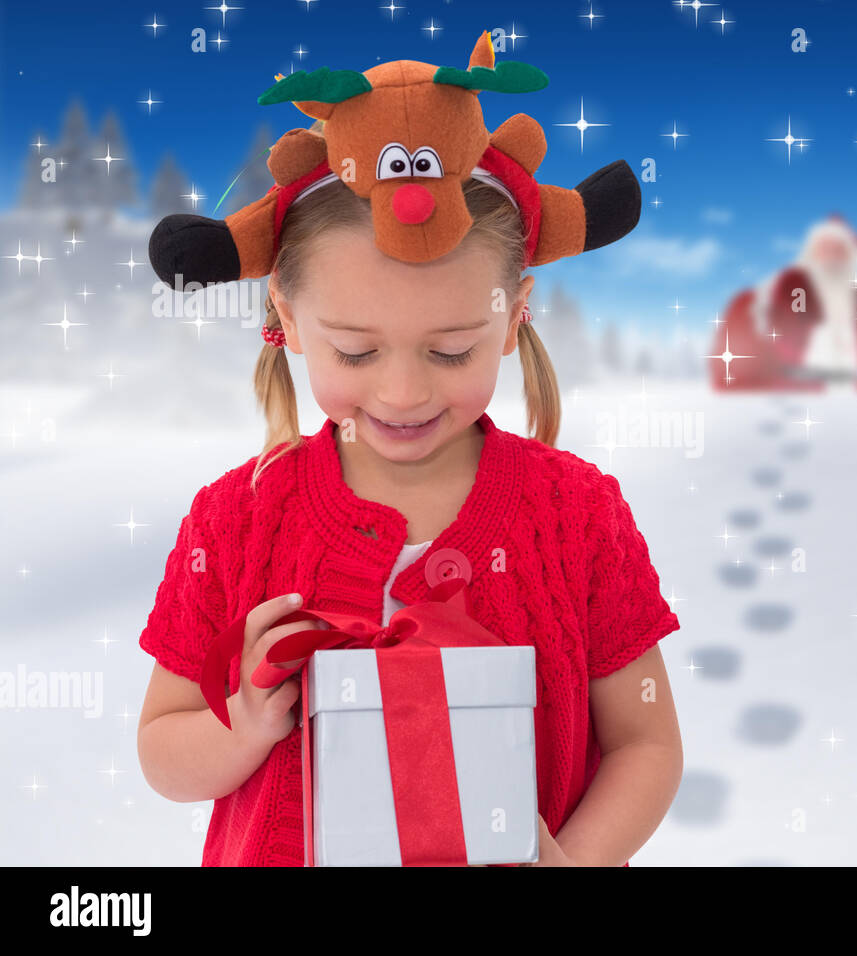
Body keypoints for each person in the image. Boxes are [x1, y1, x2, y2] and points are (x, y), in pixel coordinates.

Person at [135, 40, 683, 867]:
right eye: (355, 354)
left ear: (513, 314)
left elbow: (646, 742)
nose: (401, 395)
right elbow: (162, 749)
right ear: (284, 310)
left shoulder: (575, 512)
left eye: (452, 350)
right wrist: (241, 727)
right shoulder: (239, 516)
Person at [709, 214, 857, 391]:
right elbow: (786, 339)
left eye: (840, 250)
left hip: (845, 403)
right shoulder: (785, 289)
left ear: (852, 257)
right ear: (810, 254)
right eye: (824, 248)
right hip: (785, 399)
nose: (832, 257)